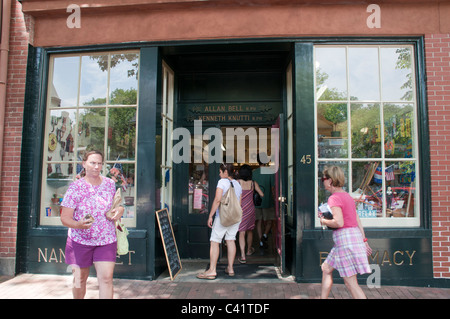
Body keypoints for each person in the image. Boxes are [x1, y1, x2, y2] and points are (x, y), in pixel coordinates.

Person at [60, 150, 124, 299]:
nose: (96, 166)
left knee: (107, 279)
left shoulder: (109, 184)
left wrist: (120, 210)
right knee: (79, 280)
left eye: (99, 163)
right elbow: (65, 218)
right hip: (79, 240)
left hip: (105, 239)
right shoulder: (75, 187)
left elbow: (118, 205)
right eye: (92, 163)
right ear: (84, 164)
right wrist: (78, 224)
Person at [319, 166, 372, 299]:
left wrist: (323, 221)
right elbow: (357, 220)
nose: (322, 182)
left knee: (351, 283)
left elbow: (339, 223)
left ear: (330, 180)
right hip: (353, 236)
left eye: (323, 179)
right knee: (326, 268)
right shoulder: (347, 196)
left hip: (344, 240)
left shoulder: (334, 198)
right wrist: (364, 240)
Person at [197, 163, 242, 280]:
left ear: (226, 172)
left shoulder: (222, 182)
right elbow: (239, 204)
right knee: (231, 240)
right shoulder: (238, 184)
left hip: (222, 217)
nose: (219, 173)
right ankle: (231, 268)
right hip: (235, 217)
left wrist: (210, 216)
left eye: (220, 172)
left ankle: (212, 270)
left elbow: (217, 200)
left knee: (215, 241)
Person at [237, 164, 264, 263]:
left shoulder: (237, 182)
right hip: (250, 209)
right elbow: (262, 194)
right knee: (250, 230)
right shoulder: (253, 183)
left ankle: (243, 255)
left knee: (241, 232)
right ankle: (249, 250)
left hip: (240, 209)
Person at [252, 156, 275, 249]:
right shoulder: (270, 172)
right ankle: (265, 235)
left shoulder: (254, 173)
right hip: (268, 200)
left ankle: (261, 239)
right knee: (269, 221)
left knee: (259, 221)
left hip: (256, 201)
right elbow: (272, 188)